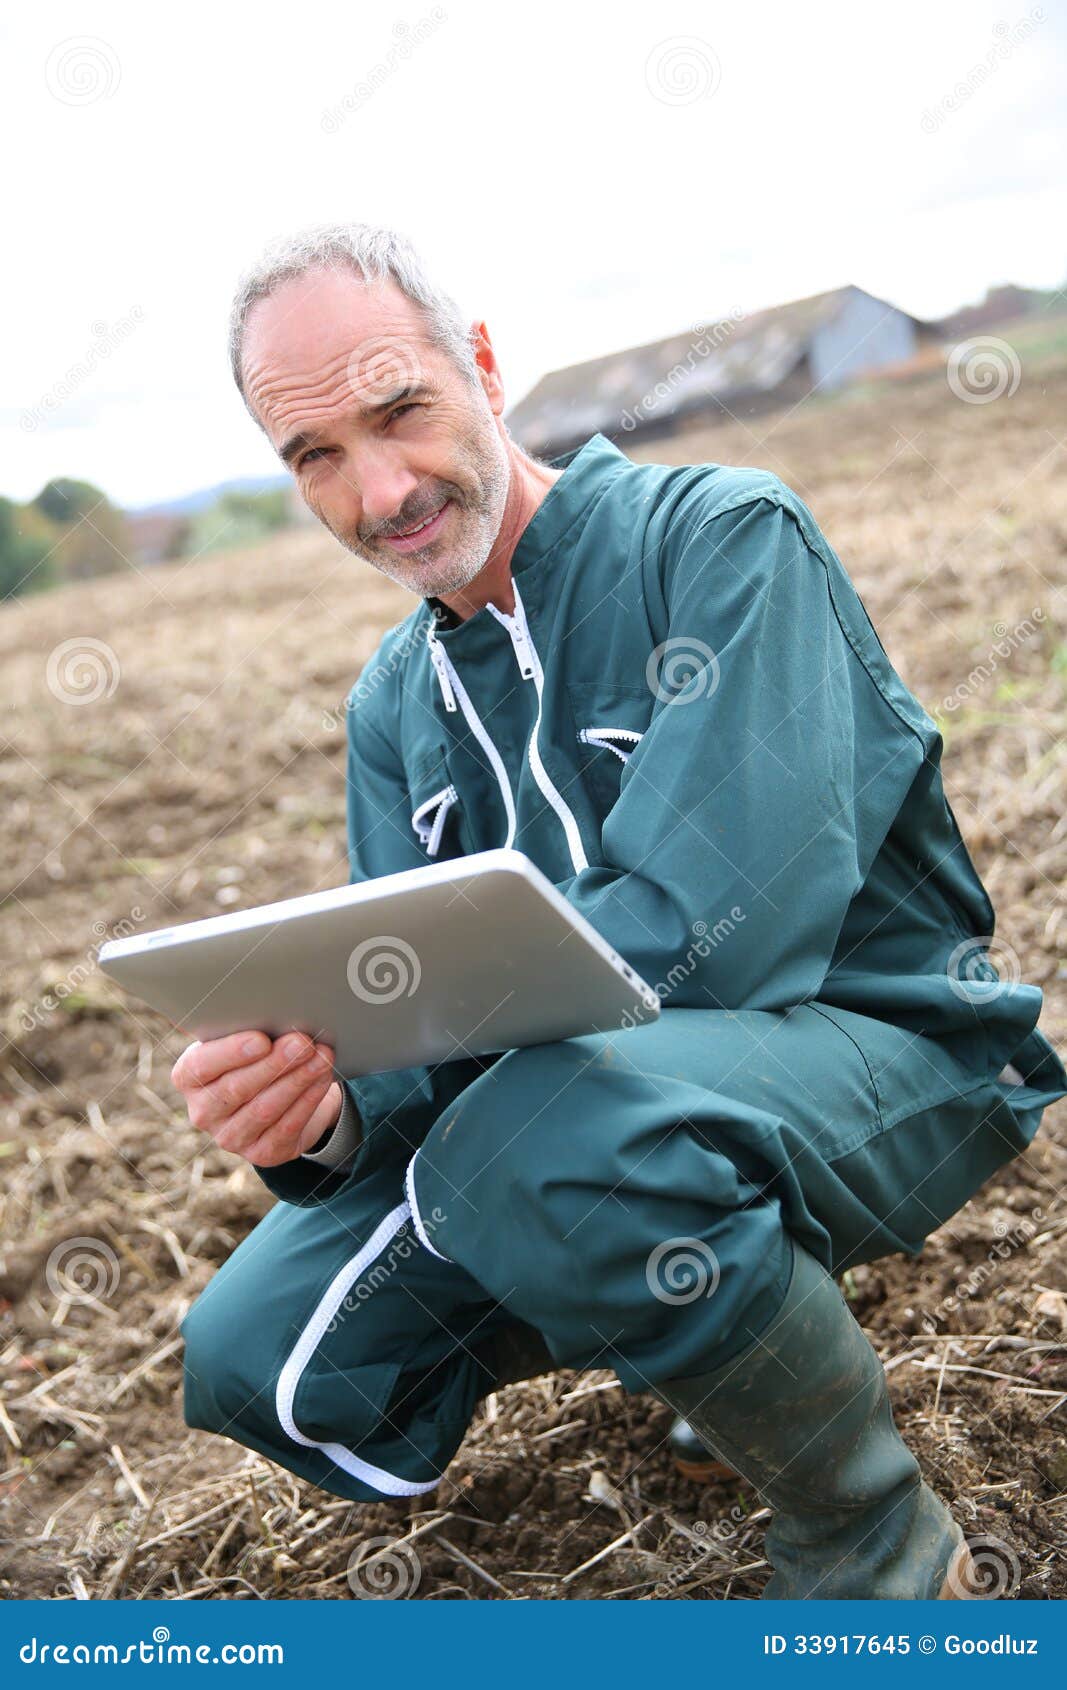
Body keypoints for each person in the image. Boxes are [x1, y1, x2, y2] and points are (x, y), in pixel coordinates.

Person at [172, 222, 1066, 1600]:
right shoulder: (393, 708)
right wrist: (329, 1104)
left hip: (887, 1047)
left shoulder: (720, 542)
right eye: (317, 457)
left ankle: (876, 1541)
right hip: (587, 1119)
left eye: (398, 411)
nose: (382, 488)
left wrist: (441, 1054)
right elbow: (406, 1025)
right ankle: (693, 1309)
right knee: (260, 1350)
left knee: (537, 1136)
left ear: (480, 364)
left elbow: (729, 936)